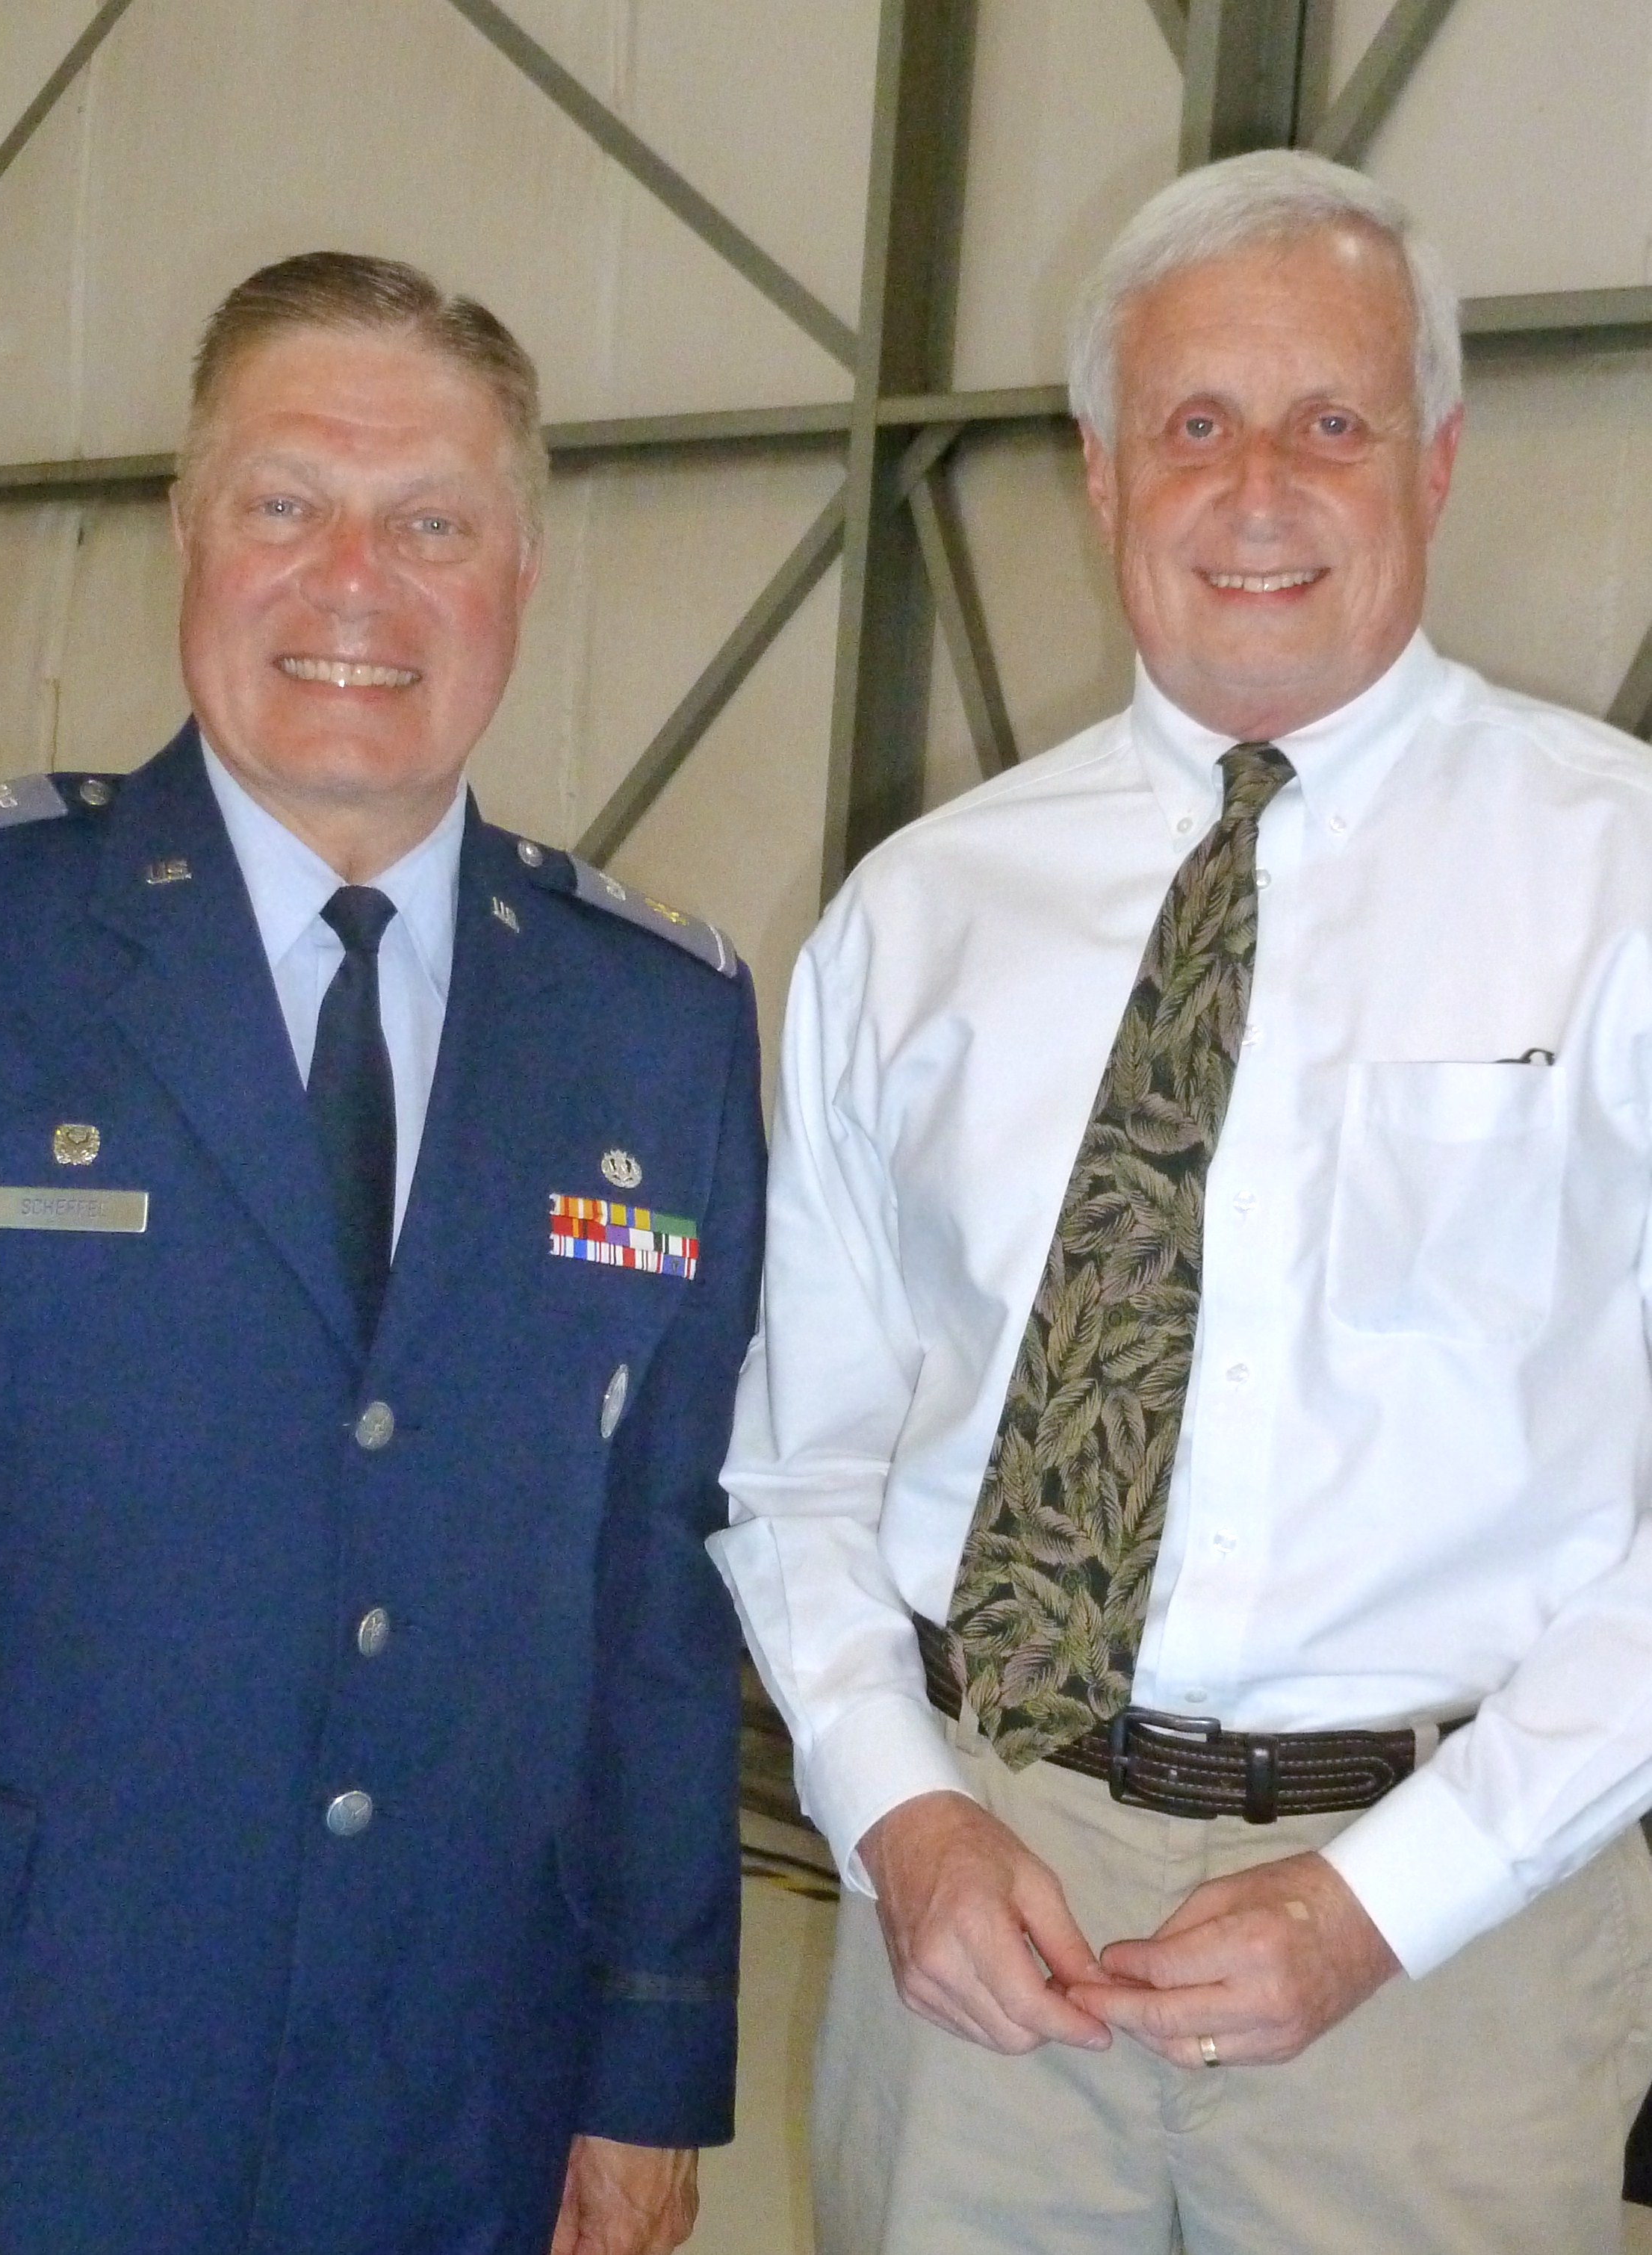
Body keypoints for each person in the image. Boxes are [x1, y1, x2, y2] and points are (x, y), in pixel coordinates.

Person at [712, 149, 1652, 2255]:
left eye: (1326, 421)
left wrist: (1381, 1896)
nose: (1255, 490)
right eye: (1191, 424)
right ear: (1095, 470)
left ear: (1434, 458)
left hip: (1448, 1946)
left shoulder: (1619, 882)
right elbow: (797, 1469)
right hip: (979, 1931)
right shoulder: (919, 916)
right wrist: (899, 1817)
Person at [0, 252, 764, 2255]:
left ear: (520, 573)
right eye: (284, 504)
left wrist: (644, 2063)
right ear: (187, 537)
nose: (355, 579)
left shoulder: (657, 1024)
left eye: (431, 521)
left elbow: (663, 1593)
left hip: (458, 2100)